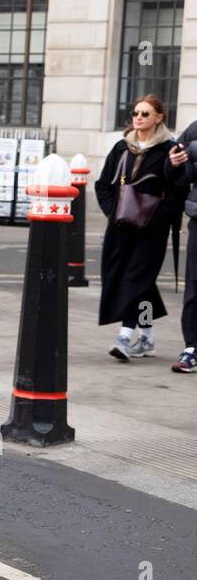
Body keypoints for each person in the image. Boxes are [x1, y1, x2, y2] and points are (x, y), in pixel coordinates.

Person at [94, 94, 189, 361]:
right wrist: (113, 211)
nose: (138, 117)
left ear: (159, 117)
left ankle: (125, 336)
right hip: (121, 226)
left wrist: (157, 217)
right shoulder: (122, 148)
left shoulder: (169, 150)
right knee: (136, 281)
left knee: (135, 279)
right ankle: (146, 338)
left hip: (152, 230)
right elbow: (103, 185)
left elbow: (177, 190)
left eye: (145, 113)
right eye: (136, 112)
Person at [166, 119, 197, 372]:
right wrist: (174, 165)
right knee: (195, 285)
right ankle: (192, 348)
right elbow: (182, 173)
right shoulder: (195, 130)